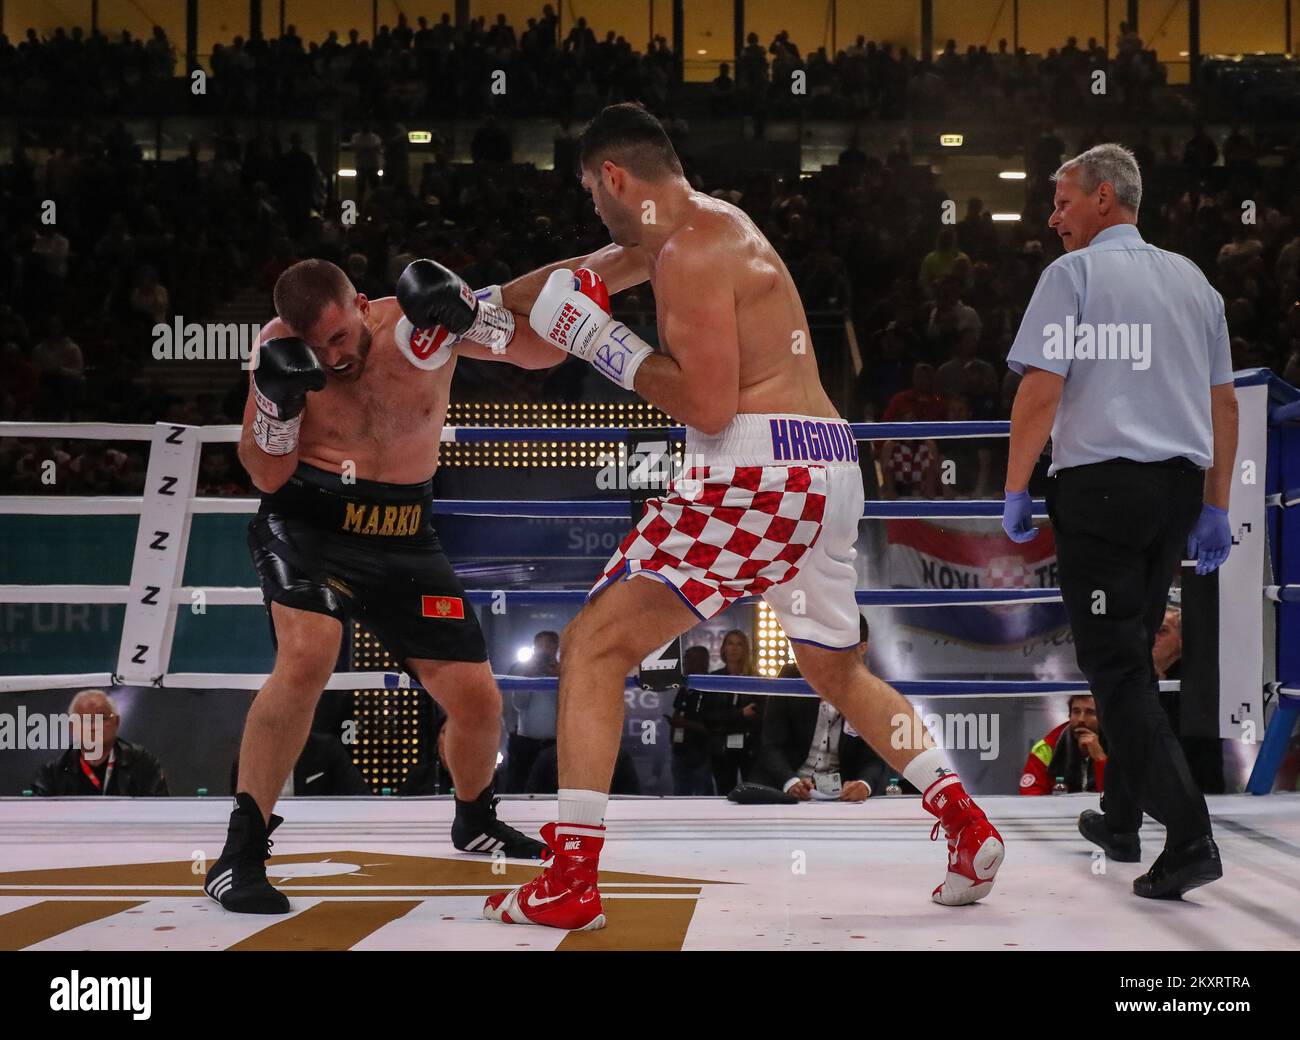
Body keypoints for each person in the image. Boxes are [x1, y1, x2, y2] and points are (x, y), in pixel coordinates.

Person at [483, 103, 1004, 931]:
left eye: (589, 191)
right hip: (827, 466)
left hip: (759, 474)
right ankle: (967, 825)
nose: (592, 207)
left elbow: (707, 406)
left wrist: (598, 341)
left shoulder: (689, 253)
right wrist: (472, 305)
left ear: (614, 176)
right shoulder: (700, 224)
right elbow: (576, 272)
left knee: (593, 645)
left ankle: (572, 879)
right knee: (836, 671)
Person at [205, 256, 562, 913]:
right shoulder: (276, 348)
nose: (331, 359)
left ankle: (475, 819)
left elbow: (542, 355)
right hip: (309, 525)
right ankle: (240, 853)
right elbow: (263, 474)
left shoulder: (417, 324)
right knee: (307, 656)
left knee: (477, 700)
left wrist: (473, 316)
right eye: (315, 347)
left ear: (364, 305)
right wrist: (279, 407)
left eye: (340, 338)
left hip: (405, 534)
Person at [1001, 143, 1237, 899]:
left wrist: (1014, 486)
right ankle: (1122, 818)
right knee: (1132, 649)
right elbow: (1223, 404)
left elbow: (1041, 389)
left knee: (1116, 668)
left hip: (1103, 493)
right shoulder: (1195, 282)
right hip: (1176, 493)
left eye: (1063, 201)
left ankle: (1191, 837)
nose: (1053, 217)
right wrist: (1217, 504)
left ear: (1104, 197)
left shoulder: (1073, 275)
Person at [757, 616, 886, 800]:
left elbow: (873, 758)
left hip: (841, 795)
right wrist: (791, 782)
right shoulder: (792, 677)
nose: (834, 648)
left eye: (843, 643)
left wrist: (864, 785)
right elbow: (771, 743)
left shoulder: (871, 692)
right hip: (788, 789)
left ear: (862, 648)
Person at [32, 690, 169, 797]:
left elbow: (161, 813)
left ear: (116, 722)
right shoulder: (52, 774)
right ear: (72, 727)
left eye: (102, 718)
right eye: (85, 720)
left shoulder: (143, 765)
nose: (94, 726)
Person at [702, 629, 762, 794]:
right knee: (724, 792)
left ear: (745, 649)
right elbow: (707, 716)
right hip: (721, 747)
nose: (734, 648)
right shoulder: (714, 679)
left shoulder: (756, 680)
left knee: (752, 792)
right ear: (723, 649)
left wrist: (731, 718)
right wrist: (739, 714)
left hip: (750, 747)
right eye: (730, 643)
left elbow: (761, 716)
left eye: (739, 644)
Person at [1019, 694, 1107, 796]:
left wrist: (1100, 759)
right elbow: (1030, 797)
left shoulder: (1118, 747)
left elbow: (1117, 796)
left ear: (1103, 718)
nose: (1081, 719)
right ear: (1069, 715)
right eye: (1076, 712)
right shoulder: (1047, 748)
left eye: (1090, 712)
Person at [506, 630, 561, 792]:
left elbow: (569, 706)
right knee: (522, 786)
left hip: (556, 742)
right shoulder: (521, 669)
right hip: (526, 740)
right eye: (539, 646)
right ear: (534, 648)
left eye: (548, 646)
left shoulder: (564, 670)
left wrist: (559, 678)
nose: (543, 650)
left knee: (553, 788)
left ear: (556, 648)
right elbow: (519, 704)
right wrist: (527, 680)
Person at [668, 644, 717, 795]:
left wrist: (684, 724)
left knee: (703, 796)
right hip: (680, 751)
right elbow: (677, 711)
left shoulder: (711, 688)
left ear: (700, 661)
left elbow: (710, 726)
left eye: (688, 659)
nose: (684, 663)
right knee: (679, 795)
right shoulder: (685, 687)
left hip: (701, 753)